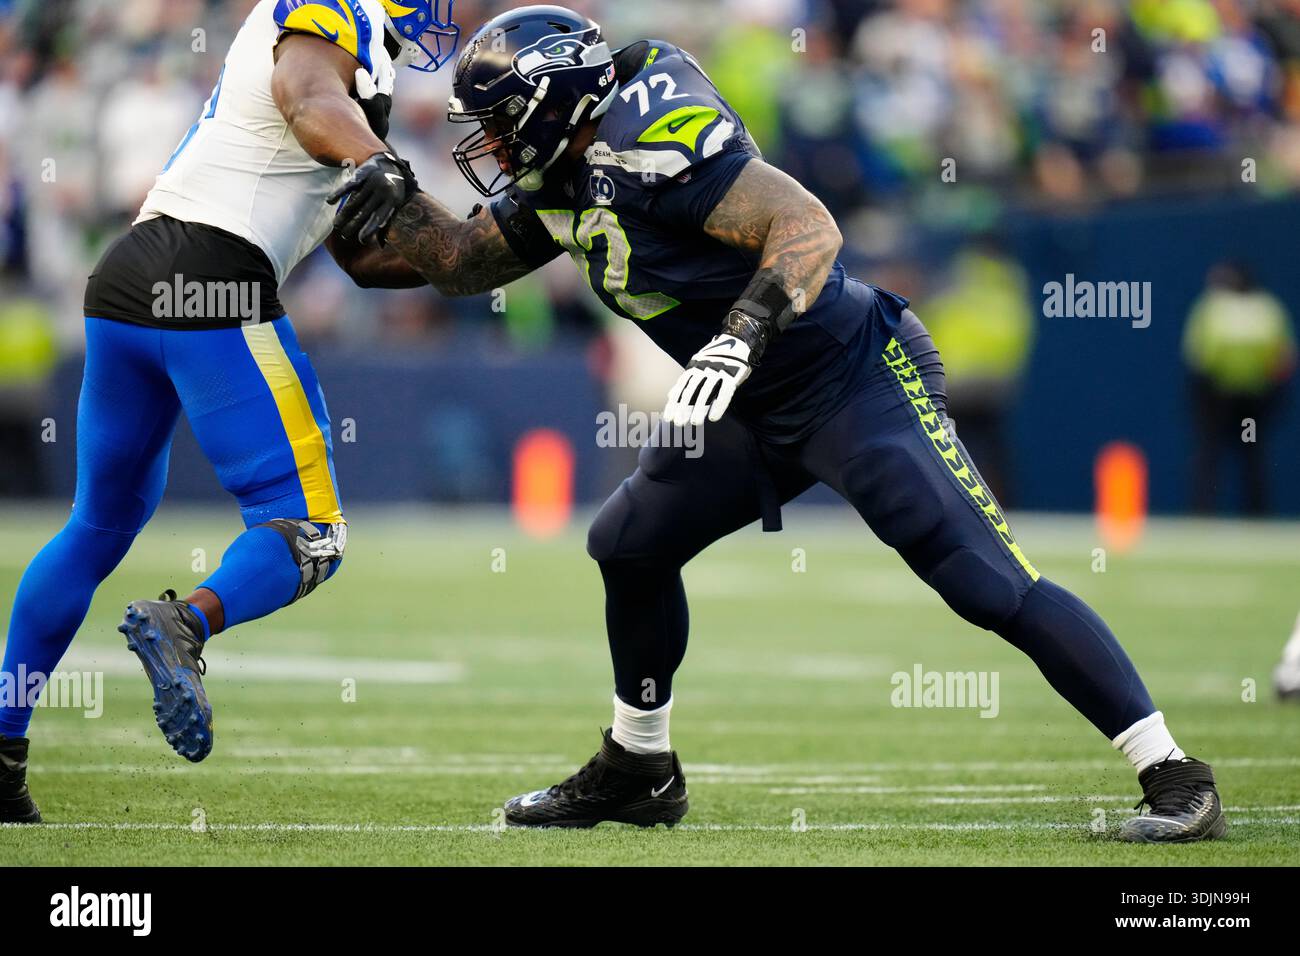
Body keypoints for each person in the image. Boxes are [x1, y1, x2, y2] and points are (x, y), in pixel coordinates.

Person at [332, 4, 1225, 843]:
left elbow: (807, 224)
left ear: (551, 104)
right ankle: (640, 763)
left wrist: (741, 334)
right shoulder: (558, 182)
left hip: (850, 376)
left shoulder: (651, 140)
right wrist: (359, 188)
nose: (484, 147)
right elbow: (450, 263)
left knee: (983, 581)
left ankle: (1174, 773)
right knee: (629, 543)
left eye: (495, 123)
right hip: (747, 401)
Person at [0, 0, 456, 823]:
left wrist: (497, 244)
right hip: (215, 278)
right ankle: (184, 623)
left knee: (95, 527)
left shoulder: (355, 95)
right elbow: (306, 95)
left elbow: (368, 258)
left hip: (131, 277)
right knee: (310, 529)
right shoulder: (329, 29)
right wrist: (382, 159)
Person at [1183, 260, 1296, 515]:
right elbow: (1284, 359)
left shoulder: (1212, 307)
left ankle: (1202, 514)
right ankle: (1256, 516)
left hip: (1218, 398)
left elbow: (1198, 356)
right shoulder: (1268, 309)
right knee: (1252, 458)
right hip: (1254, 399)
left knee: (1210, 457)